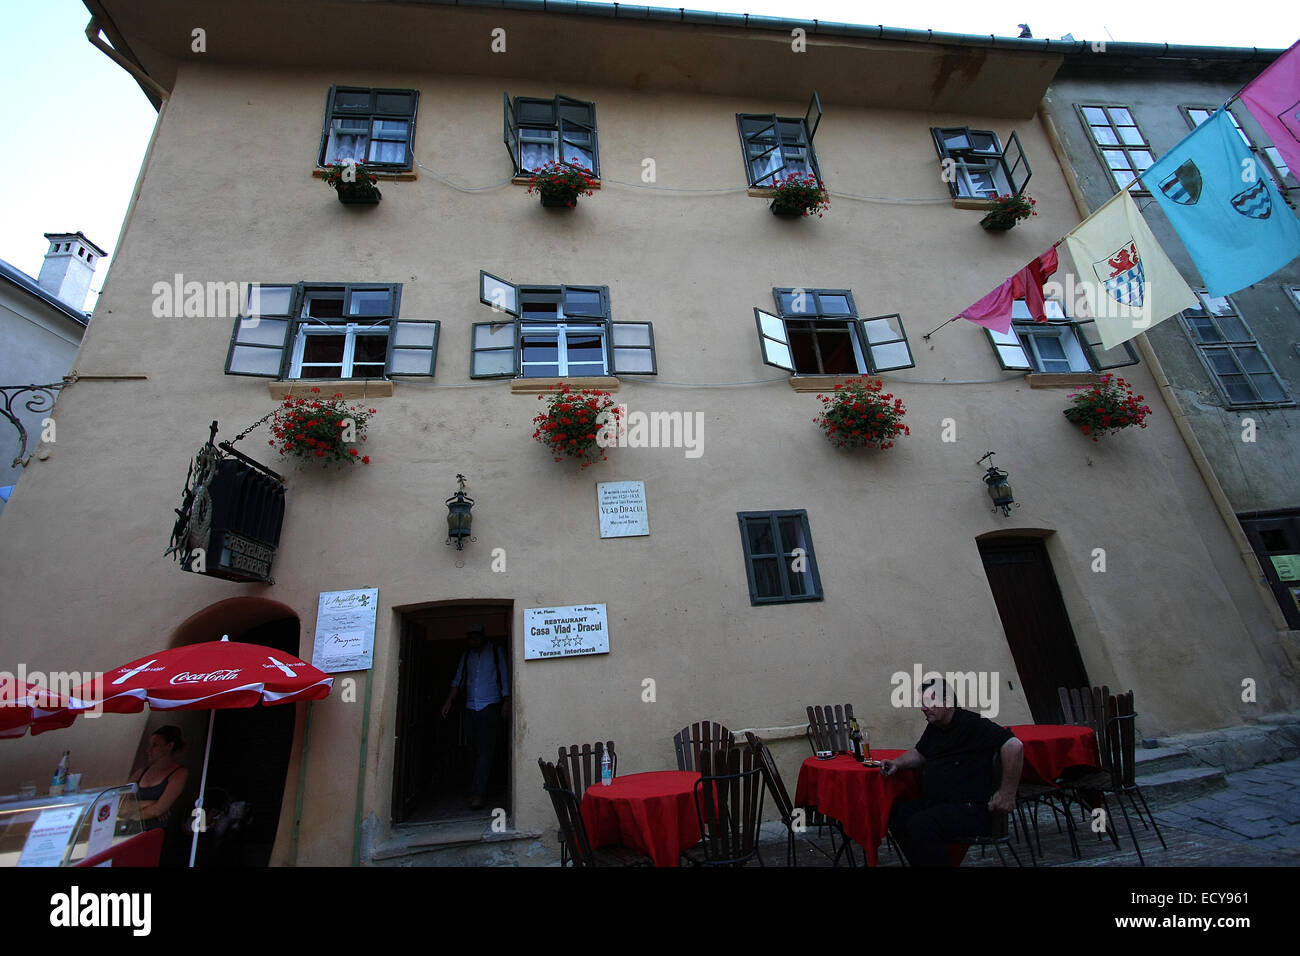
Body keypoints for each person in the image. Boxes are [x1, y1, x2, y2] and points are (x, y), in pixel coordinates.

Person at [881, 678, 1023, 866]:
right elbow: (920, 753)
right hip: (942, 803)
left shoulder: (973, 724)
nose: (923, 708)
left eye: (928, 703)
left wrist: (1007, 794)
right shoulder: (935, 727)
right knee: (897, 815)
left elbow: (1014, 745)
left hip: (973, 808)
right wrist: (896, 764)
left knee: (922, 824)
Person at [441, 624, 510, 809]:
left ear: (483, 637)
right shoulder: (467, 657)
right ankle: (476, 788)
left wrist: (506, 701)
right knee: (472, 749)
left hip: (490, 705)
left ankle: (478, 793)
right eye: (471, 637)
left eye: (477, 637)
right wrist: (449, 701)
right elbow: (458, 680)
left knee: (486, 751)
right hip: (471, 707)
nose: (474, 640)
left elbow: (505, 676)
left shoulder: (496, 652)